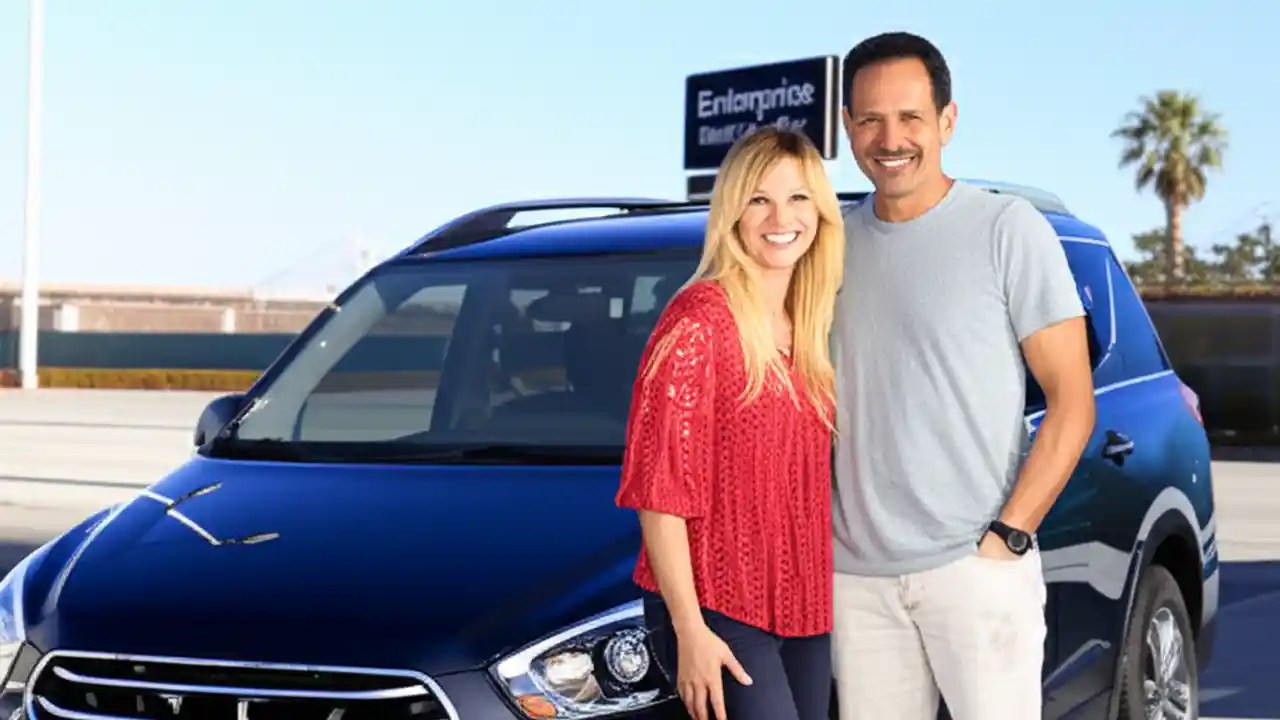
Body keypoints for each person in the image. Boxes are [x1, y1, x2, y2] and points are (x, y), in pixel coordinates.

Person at [829, 31, 1097, 720]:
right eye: (870, 118)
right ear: (847, 126)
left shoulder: (1008, 228)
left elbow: (1072, 402)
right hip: (856, 578)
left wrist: (1008, 537)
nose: (890, 138)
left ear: (947, 121)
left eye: (910, 116)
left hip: (975, 569)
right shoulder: (827, 244)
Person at [614, 126, 845, 720]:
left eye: (798, 198)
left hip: (805, 602)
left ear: (819, 211)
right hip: (715, 604)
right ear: (733, 212)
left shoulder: (813, 325)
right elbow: (659, 495)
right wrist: (689, 631)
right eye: (759, 199)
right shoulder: (700, 322)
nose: (780, 217)